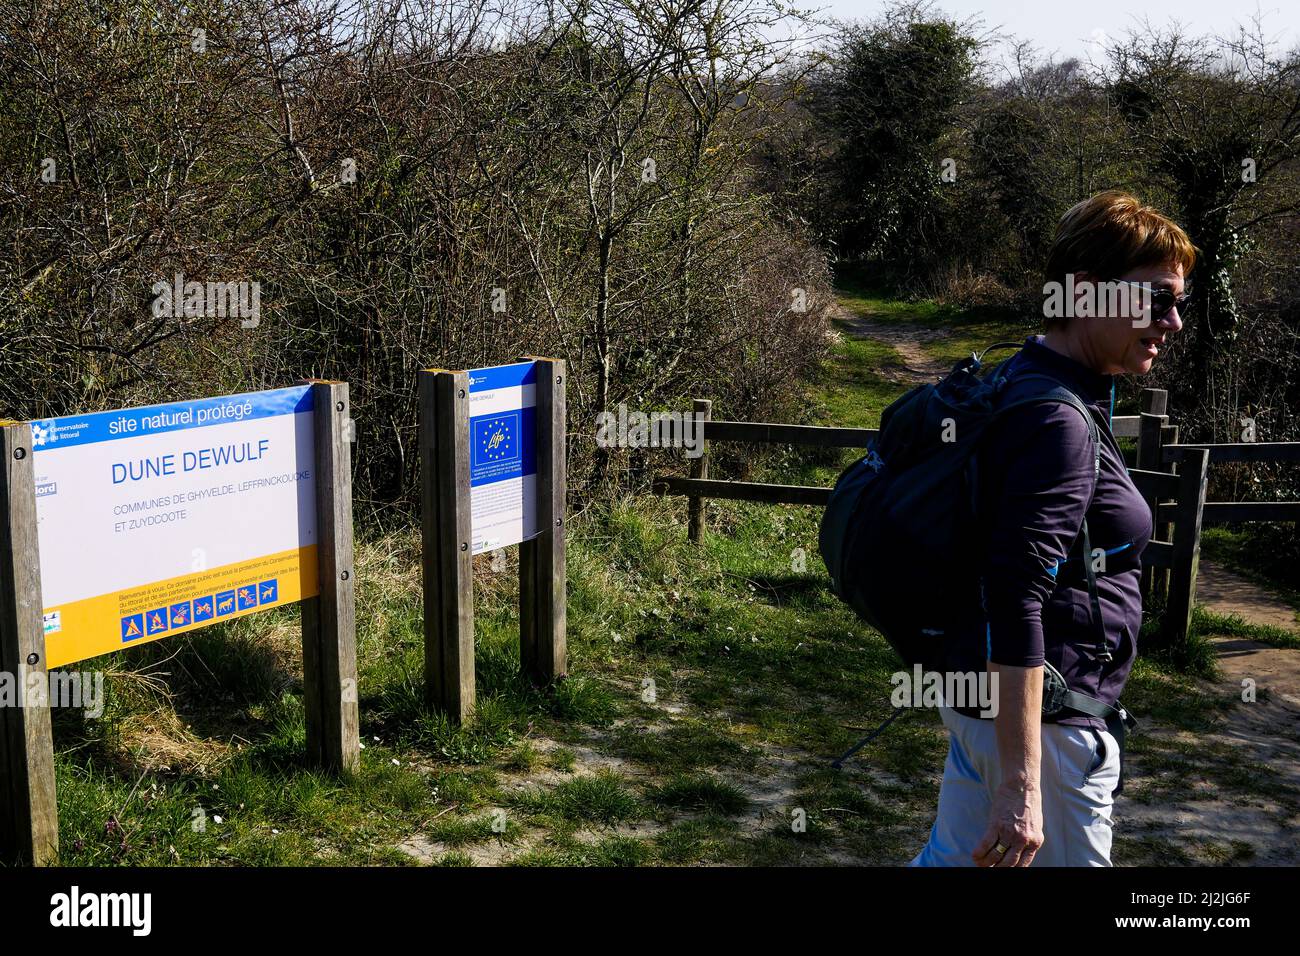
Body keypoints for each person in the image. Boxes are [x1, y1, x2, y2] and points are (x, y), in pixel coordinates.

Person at [910, 190, 1196, 867]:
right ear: (1088, 293)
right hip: (1047, 731)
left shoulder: (1028, 378)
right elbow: (1014, 593)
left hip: (993, 708)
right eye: (1157, 298)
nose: (1174, 321)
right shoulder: (1058, 420)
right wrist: (1022, 784)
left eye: (1179, 301)